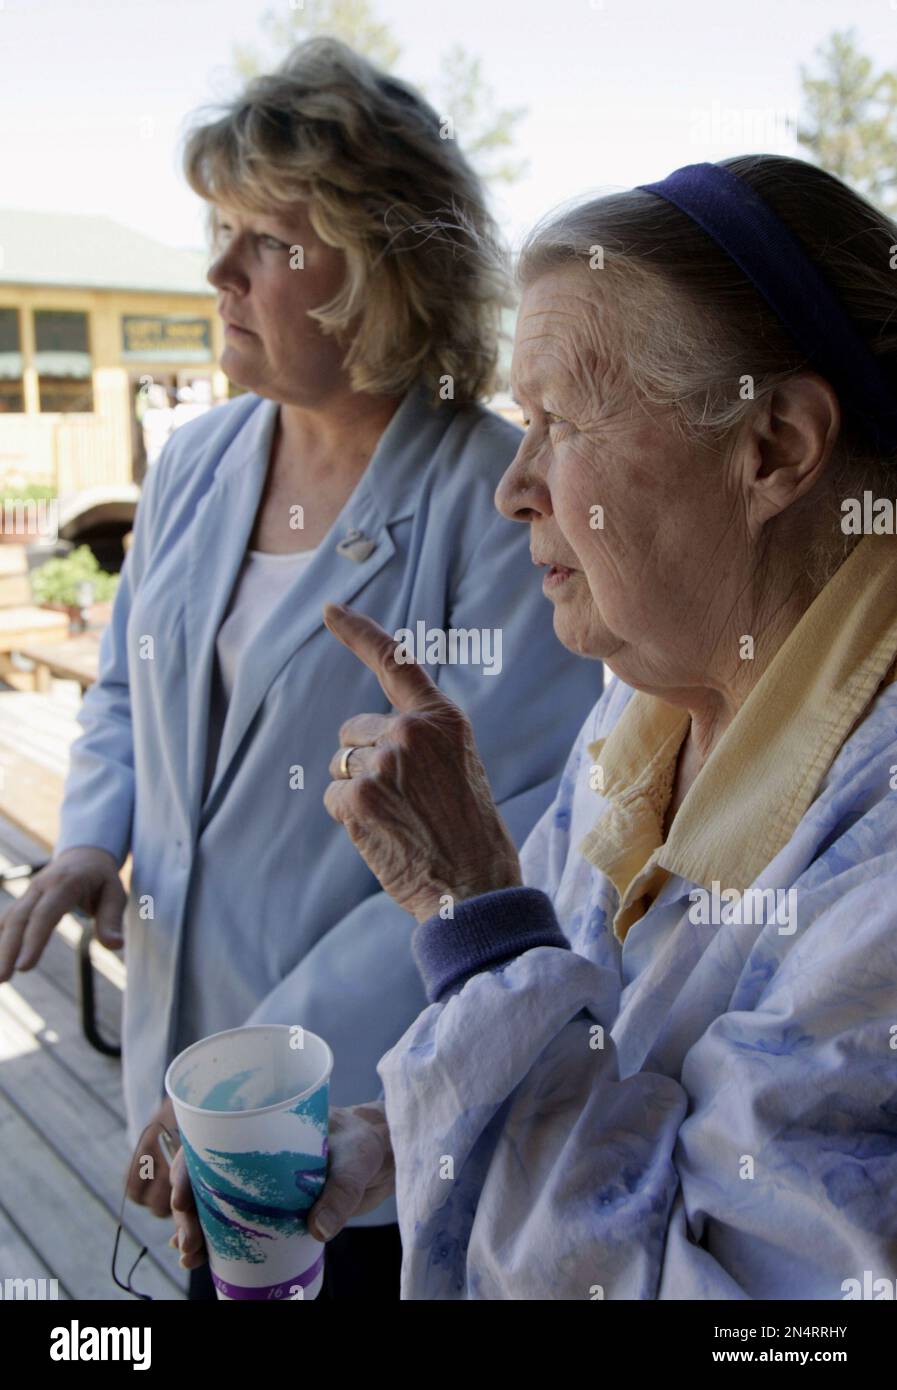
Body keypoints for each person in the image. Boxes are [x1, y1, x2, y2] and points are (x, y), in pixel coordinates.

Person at [173, 152, 897, 1299]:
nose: (516, 487)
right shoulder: (649, 707)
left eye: (559, 421)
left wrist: (473, 918)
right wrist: (395, 1139)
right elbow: (593, 1074)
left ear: (775, 449)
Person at [0, 38, 599, 1301]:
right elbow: (124, 685)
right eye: (219, 229)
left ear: (383, 269)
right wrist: (92, 840)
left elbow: (515, 842)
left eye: (269, 241)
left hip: (360, 1121)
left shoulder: (496, 503)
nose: (217, 271)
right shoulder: (194, 460)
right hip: (178, 1071)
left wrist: (266, 1067)